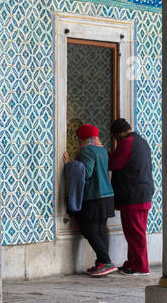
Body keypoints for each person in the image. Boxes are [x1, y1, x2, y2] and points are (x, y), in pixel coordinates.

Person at [64, 123, 115, 276]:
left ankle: (106, 262)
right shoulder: (103, 150)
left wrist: (69, 165)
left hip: (94, 196)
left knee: (89, 229)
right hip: (107, 196)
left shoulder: (87, 150)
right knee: (100, 229)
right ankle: (101, 262)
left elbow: (84, 172)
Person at [108, 117, 154, 274]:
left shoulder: (127, 143)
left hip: (134, 195)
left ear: (118, 133)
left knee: (135, 233)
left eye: (115, 137)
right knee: (134, 232)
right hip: (142, 193)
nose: (115, 141)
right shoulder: (141, 141)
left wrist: (104, 153)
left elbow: (114, 164)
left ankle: (141, 267)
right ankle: (132, 263)